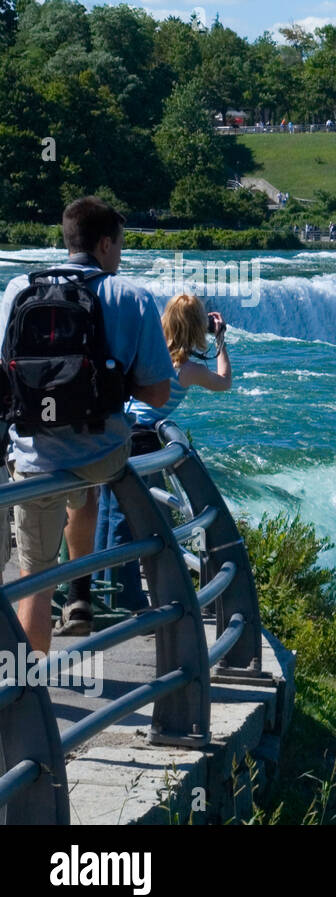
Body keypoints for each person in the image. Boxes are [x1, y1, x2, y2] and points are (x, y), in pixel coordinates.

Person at [0, 197, 173, 652]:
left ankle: (28, 701)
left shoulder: (20, 288)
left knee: (34, 579)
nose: (121, 254)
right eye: (119, 245)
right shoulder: (129, 296)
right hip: (102, 453)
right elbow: (158, 394)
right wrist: (110, 386)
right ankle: (80, 593)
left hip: (33, 454)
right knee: (89, 481)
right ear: (102, 245)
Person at [95, 293, 231, 612]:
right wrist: (221, 339)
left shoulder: (149, 351)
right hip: (142, 441)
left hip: (114, 431)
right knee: (138, 519)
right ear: (198, 328)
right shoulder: (189, 368)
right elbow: (225, 381)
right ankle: (126, 598)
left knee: (110, 512)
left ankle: (103, 591)